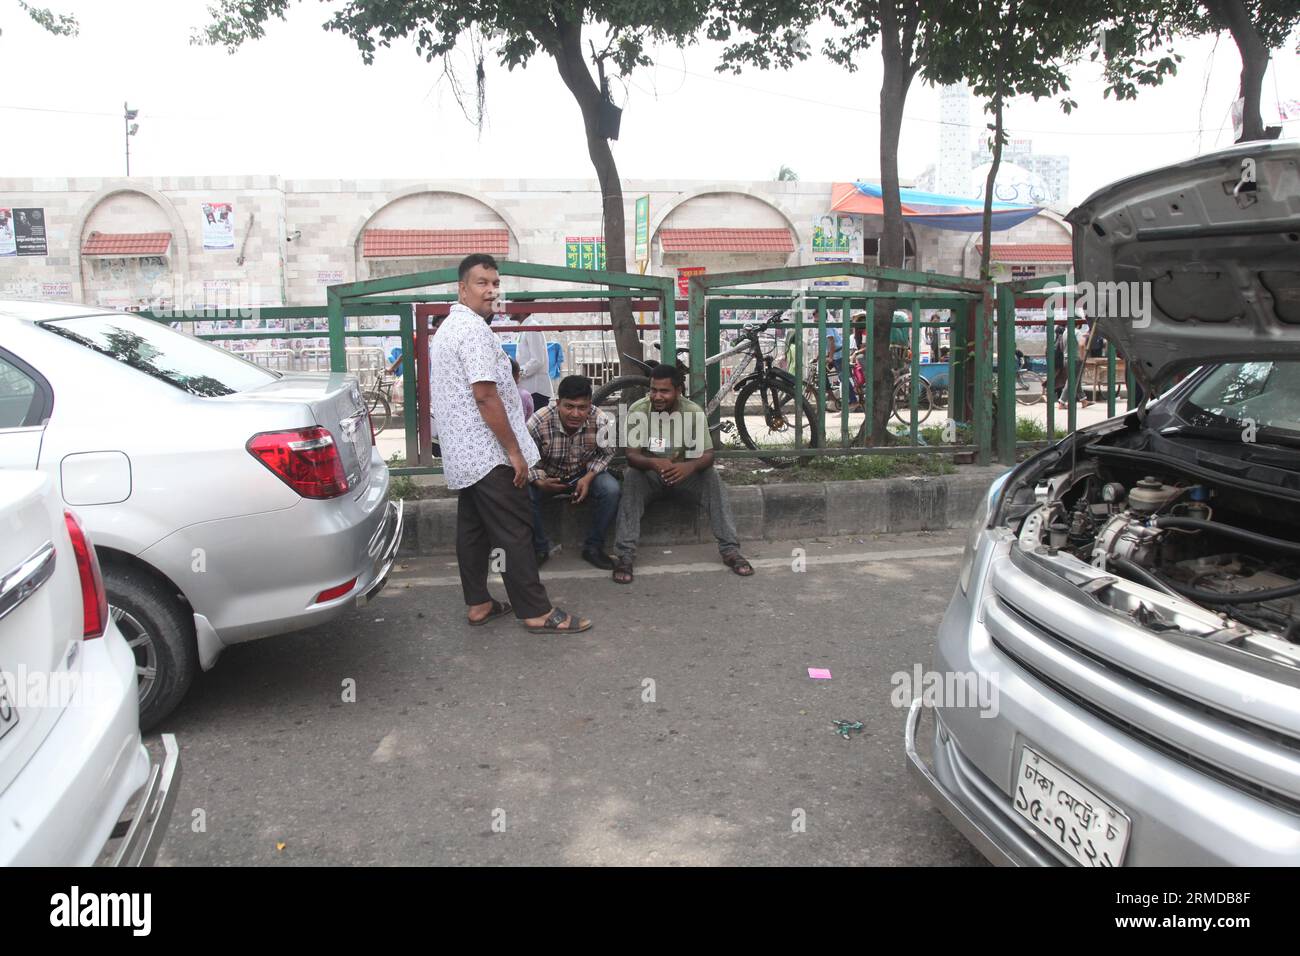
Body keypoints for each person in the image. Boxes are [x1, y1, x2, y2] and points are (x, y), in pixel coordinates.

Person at [428, 252, 592, 634]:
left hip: (464, 455)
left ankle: (479, 603)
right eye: (482, 283)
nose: (491, 291)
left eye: (495, 283)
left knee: (473, 531)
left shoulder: (452, 327)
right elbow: (486, 396)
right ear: (462, 288)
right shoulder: (472, 331)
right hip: (488, 454)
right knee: (515, 530)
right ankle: (535, 610)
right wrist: (515, 452)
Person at [611, 363, 753, 584]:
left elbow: (707, 455)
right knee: (631, 477)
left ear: (678, 390)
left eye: (664, 391)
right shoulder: (639, 410)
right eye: (653, 390)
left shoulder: (692, 413)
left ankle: (730, 550)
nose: (657, 396)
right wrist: (653, 463)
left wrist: (690, 467)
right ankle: (625, 555)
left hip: (684, 477)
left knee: (712, 477)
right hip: (651, 476)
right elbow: (632, 455)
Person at [527, 375, 620, 571]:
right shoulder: (537, 422)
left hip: (583, 474)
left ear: (590, 405)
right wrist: (538, 481)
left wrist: (588, 477)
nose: (576, 414)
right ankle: (539, 548)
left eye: (582, 407)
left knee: (611, 490)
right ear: (558, 403)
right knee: (521, 493)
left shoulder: (602, 421)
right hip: (547, 476)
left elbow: (607, 454)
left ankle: (593, 547)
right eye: (569, 406)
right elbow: (523, 461)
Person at [508, 310, 554, 414]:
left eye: (512, 307)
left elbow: (537, 360)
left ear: (522, 310)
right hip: (529, 389)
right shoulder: (525, 328)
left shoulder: (532, 327)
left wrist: (517, 373)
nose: (509, 310)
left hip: (535, 390)